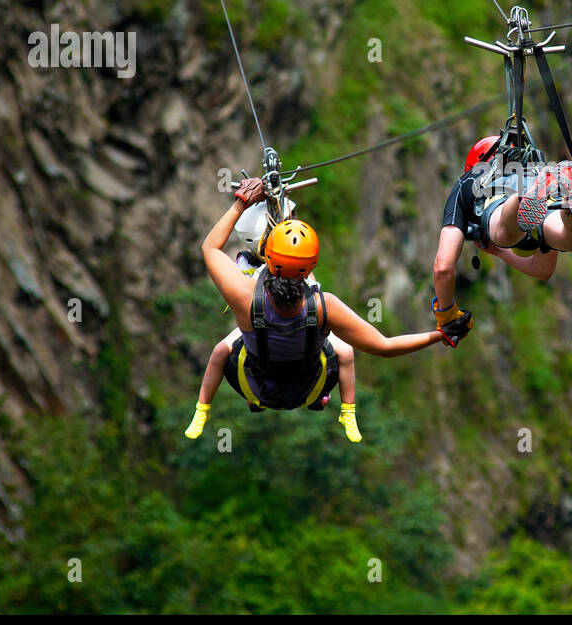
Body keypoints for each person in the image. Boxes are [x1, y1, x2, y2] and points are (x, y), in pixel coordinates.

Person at [186, 178, 447, 443]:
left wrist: (241, 203)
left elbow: (210, 248)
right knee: (344, 351)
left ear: (268, 256)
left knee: (222, 351)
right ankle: (348, 412)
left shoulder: (244, 296)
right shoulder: (325, 306)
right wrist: (440, 334)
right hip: (310, 389)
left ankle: (202, 409)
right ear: (311, 267)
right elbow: (385, 346)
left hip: (252, 386)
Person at [430, 136, 572, 344]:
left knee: (503, 232)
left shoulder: (468, 181)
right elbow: (543, 269)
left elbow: (443, 267)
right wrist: (498, 252)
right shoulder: (537, 172)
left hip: (502, 198)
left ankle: (520, 198)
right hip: (542, 190)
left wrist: (447, 316)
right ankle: (569, 201)